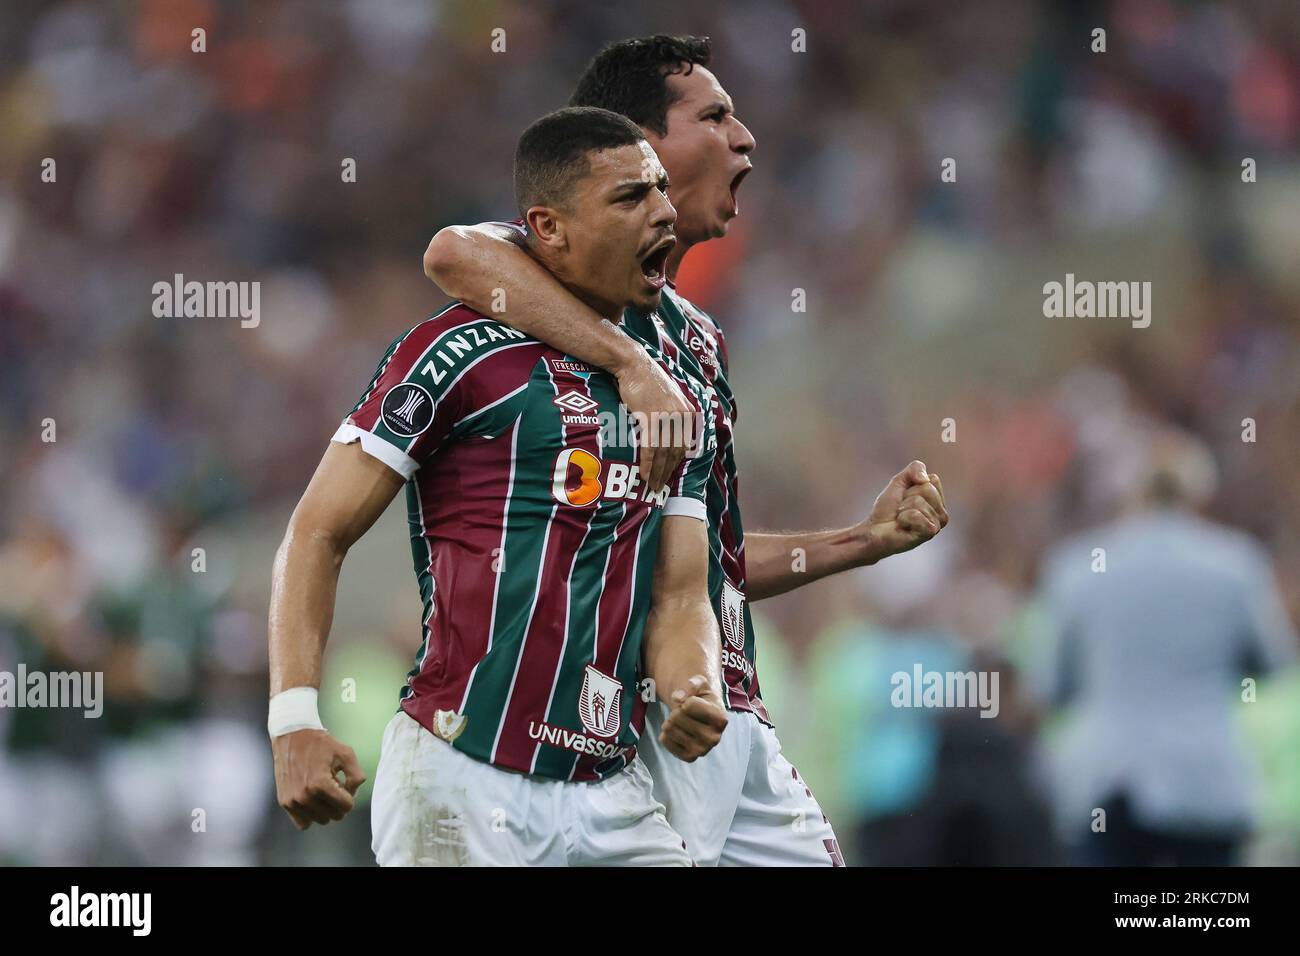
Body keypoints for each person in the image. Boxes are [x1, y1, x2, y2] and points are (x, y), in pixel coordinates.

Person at [423, 35, 949, 865]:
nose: (745, 138)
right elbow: (454, 252)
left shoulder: (699, 338)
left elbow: (706, 563)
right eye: (715, 117)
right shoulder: (558, 279)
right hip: (637, 720)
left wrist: (862, 542)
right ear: (639, 144)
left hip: (731, 708)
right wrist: (629, 364)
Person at [267, 107, 730, 866]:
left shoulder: (679, 395)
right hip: (463, 777)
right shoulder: (463, 350)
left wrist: (693, 688)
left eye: (659, 190)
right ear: (547, 228)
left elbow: (679, 596)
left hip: (612, 793)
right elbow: (318, 530)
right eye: (628, 197)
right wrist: (294, 719)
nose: (663, 212)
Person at [1036, 429, 1297, 866]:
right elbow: (1272, 662)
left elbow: (1052, 685)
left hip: (1107, 778)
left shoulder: (1078, 566)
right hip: (1204, 780)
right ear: (1199, 491)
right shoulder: (1236, 564)